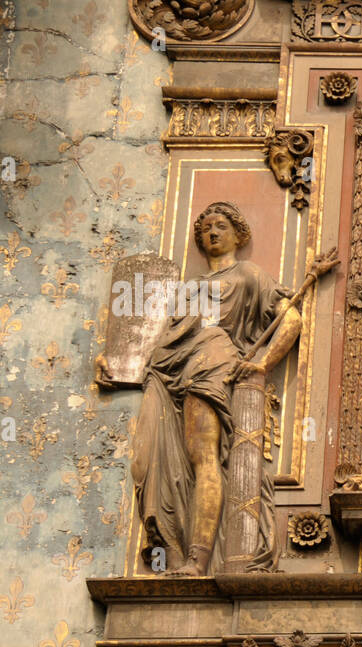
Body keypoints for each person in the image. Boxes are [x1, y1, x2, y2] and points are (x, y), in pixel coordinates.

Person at [129, 202, 301, 576]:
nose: (212, 232)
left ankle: (198, 560)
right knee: (147, 460)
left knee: (203, 456)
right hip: (169, 370)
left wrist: (262, 362)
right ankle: (174, 549)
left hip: (213, 361)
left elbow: (292, 318)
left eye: (221, 225)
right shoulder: (190, 288)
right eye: (205, 227)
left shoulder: (249, 275)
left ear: (239, 234)